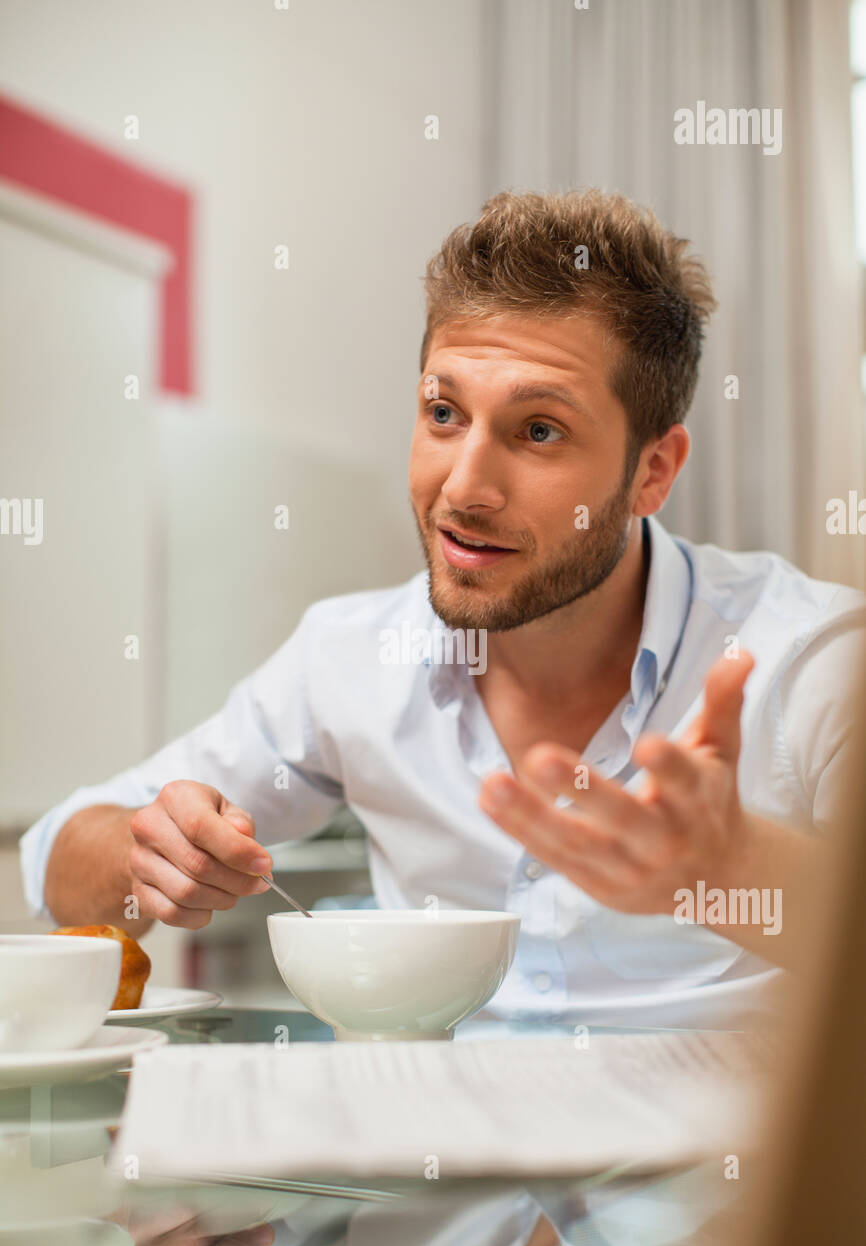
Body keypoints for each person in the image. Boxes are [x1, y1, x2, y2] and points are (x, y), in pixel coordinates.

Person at [20, 189, 865, 1030]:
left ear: (653, 470)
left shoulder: (816, 661)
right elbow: (56, 850)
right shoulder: (348, 655)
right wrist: (149, 849)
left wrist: (729, 871)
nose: (462, 489)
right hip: (427, 1154)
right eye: (443, 413)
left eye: (539, 431)